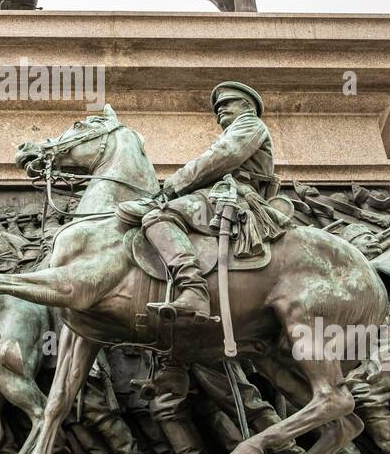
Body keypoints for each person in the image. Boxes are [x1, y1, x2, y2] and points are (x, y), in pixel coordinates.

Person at [118, 81, 288, 318]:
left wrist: (172, 186)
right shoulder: (236, 128)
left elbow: (220, 158)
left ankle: (194, 291)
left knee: (159, 216)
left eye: (227, 103)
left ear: (246, 105)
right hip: (219, 193)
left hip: (232, 196)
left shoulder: (250, 124)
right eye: (218, 106)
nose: (220, 109)